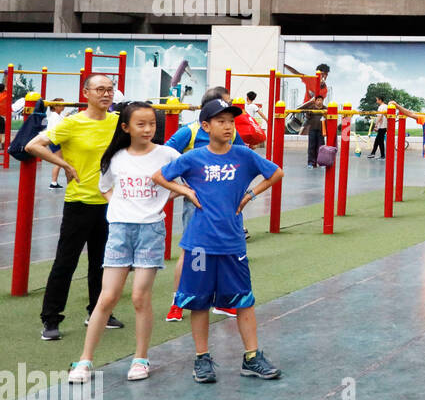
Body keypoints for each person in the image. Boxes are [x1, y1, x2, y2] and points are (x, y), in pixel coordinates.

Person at [152, 98, 284, 383]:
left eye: (231, 122)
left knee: (244, 300)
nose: (228, 127)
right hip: (199, 244)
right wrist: (185, 192)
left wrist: (250, 196)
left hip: (232, 243)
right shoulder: (193, 158)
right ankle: (202, 358)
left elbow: (276, 173)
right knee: (199, 302)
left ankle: (252, 357)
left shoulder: (243, 155)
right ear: (205, 126)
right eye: (221, 121)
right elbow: (159, 176)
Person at [67, 103, 181, 383]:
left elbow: (184, 182)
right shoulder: (116, 157)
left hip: (150, 230)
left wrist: (160, 202)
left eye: (152, 124)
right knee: (107, 298)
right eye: (141, 124)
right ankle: (84, 361)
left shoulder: (167, 155)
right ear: (125, 128)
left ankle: (140, 359)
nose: (148, 129)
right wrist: (121, 206)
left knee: (140, 297)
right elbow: (105, 187)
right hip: (119, 230)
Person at [24, 74, 124, 340]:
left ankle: (98, 311)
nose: (106, 94)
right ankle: (51, 319)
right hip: (79, 203)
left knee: (102, 263)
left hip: (110, 204)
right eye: (100, 89)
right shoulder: (72, 123)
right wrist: (66, 165)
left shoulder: (118, 123)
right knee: (65, 263)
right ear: (86, 93)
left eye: (110, 90)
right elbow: (33, 145)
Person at [163, 86, 247, 323]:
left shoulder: (231, 133)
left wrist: (242, 192)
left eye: (230, 118)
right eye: (223, 113)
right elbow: (165, 157)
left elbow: (241, 157)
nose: (229, 122)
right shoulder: (188, 132)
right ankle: (178, 302)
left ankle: (223, 302)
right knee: (192, 253)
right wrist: (184, 186)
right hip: (198, 204)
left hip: (225, 205)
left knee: (223, 253)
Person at [303, 63, 331, 168]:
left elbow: (329, 119)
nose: (319, 101)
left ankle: (321, 162)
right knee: (311, 147)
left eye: (320, 100)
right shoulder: (311, 108)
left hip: (321, 131)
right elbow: (307, 116)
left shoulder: (325, 109)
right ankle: (311, 162)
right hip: (312, 130)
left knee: (321, 147)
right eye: (317, 100)